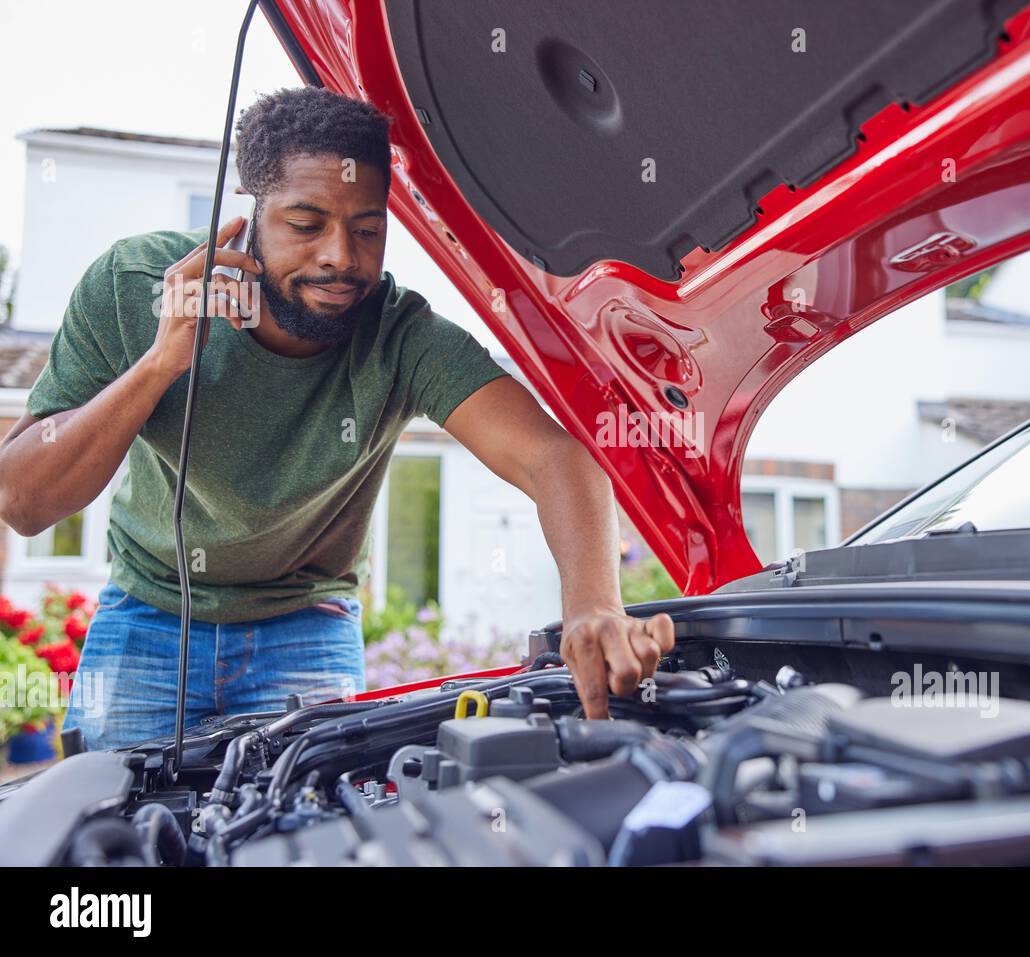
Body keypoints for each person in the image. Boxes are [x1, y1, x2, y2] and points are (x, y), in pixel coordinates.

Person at [0, 86, 672, 750]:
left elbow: (554, 457)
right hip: (148, 614)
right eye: (305, 223)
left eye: (367, 228)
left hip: (307, 623)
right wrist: (158, 366)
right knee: (111, 833)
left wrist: (594, 607)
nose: (341, 256)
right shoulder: (131, 286)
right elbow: (24, 502)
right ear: (246, 216)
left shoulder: (402, 336)